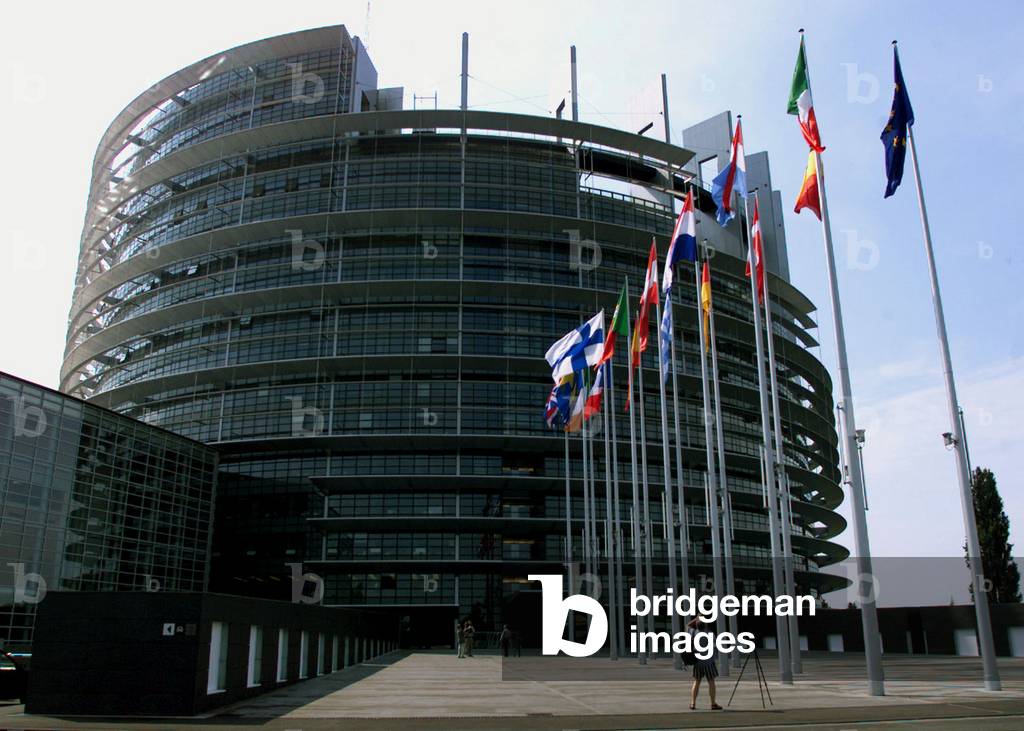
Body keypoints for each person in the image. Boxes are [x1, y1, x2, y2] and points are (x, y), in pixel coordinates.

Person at [687, 615, 722, 711]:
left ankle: (693, 703)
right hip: (709, 662)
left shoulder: (693, 632)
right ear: (706, 624)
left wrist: (696, 618)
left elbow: (688, 625)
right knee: (711, 682)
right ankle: (713, 703)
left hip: (697, 662)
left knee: (697, 682)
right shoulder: (710, 634)